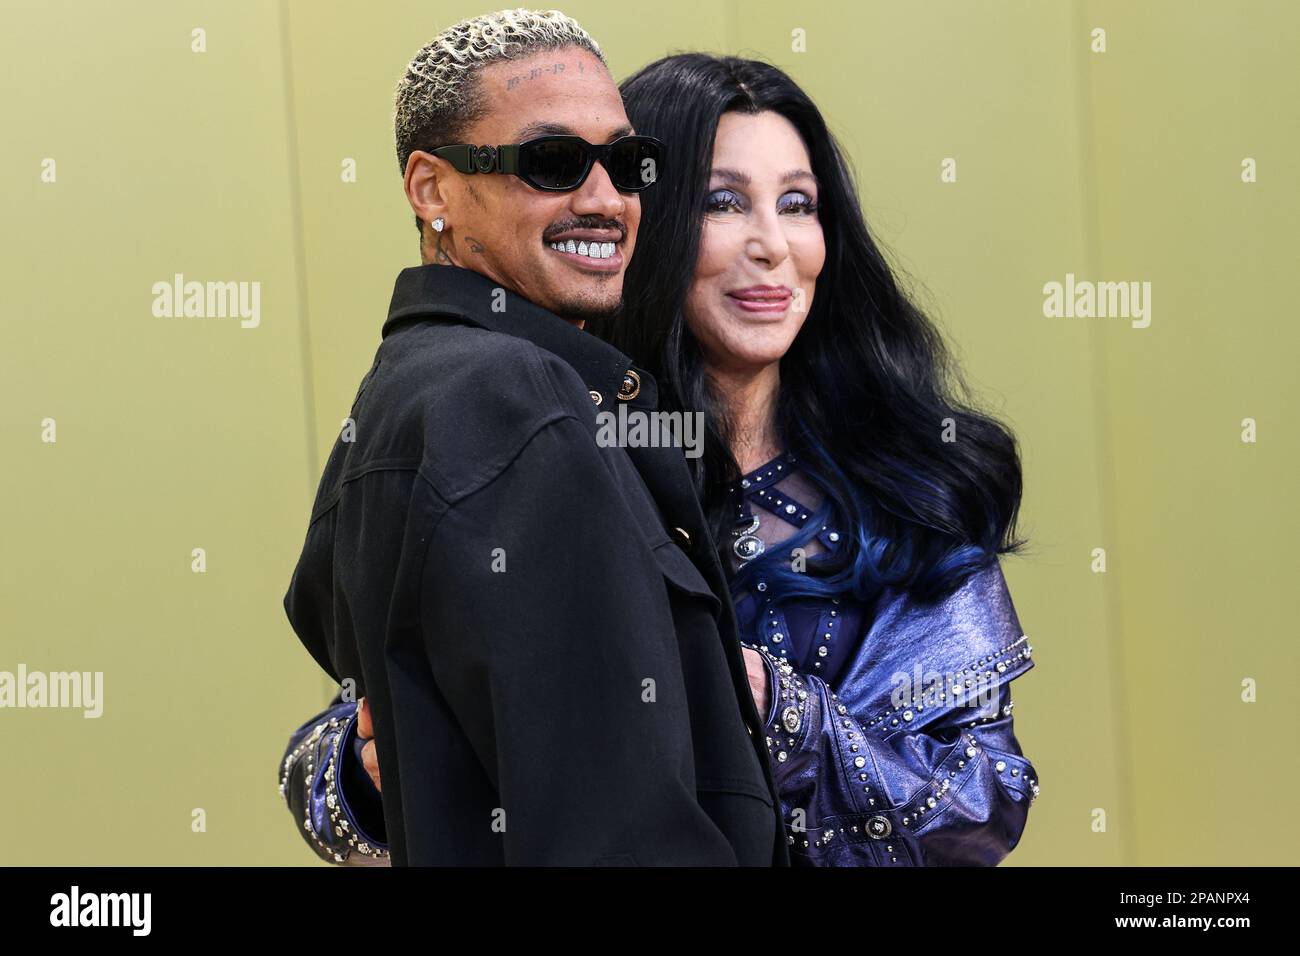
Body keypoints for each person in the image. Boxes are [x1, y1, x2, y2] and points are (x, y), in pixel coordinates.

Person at [282, 46, 1043, 867]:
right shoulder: (553, 439)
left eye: (797, 204)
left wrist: (760, 707)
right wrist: (371, 772)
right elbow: (338, 748)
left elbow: (985, 801)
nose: (771, 247)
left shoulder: (905, 480)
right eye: (723, 202)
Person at [278, 11, 787, 867]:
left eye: (626, 163)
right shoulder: (515, 396)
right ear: (430, 189)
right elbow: (616, 836)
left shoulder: (409, 393)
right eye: (551, 163)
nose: (605, 199)